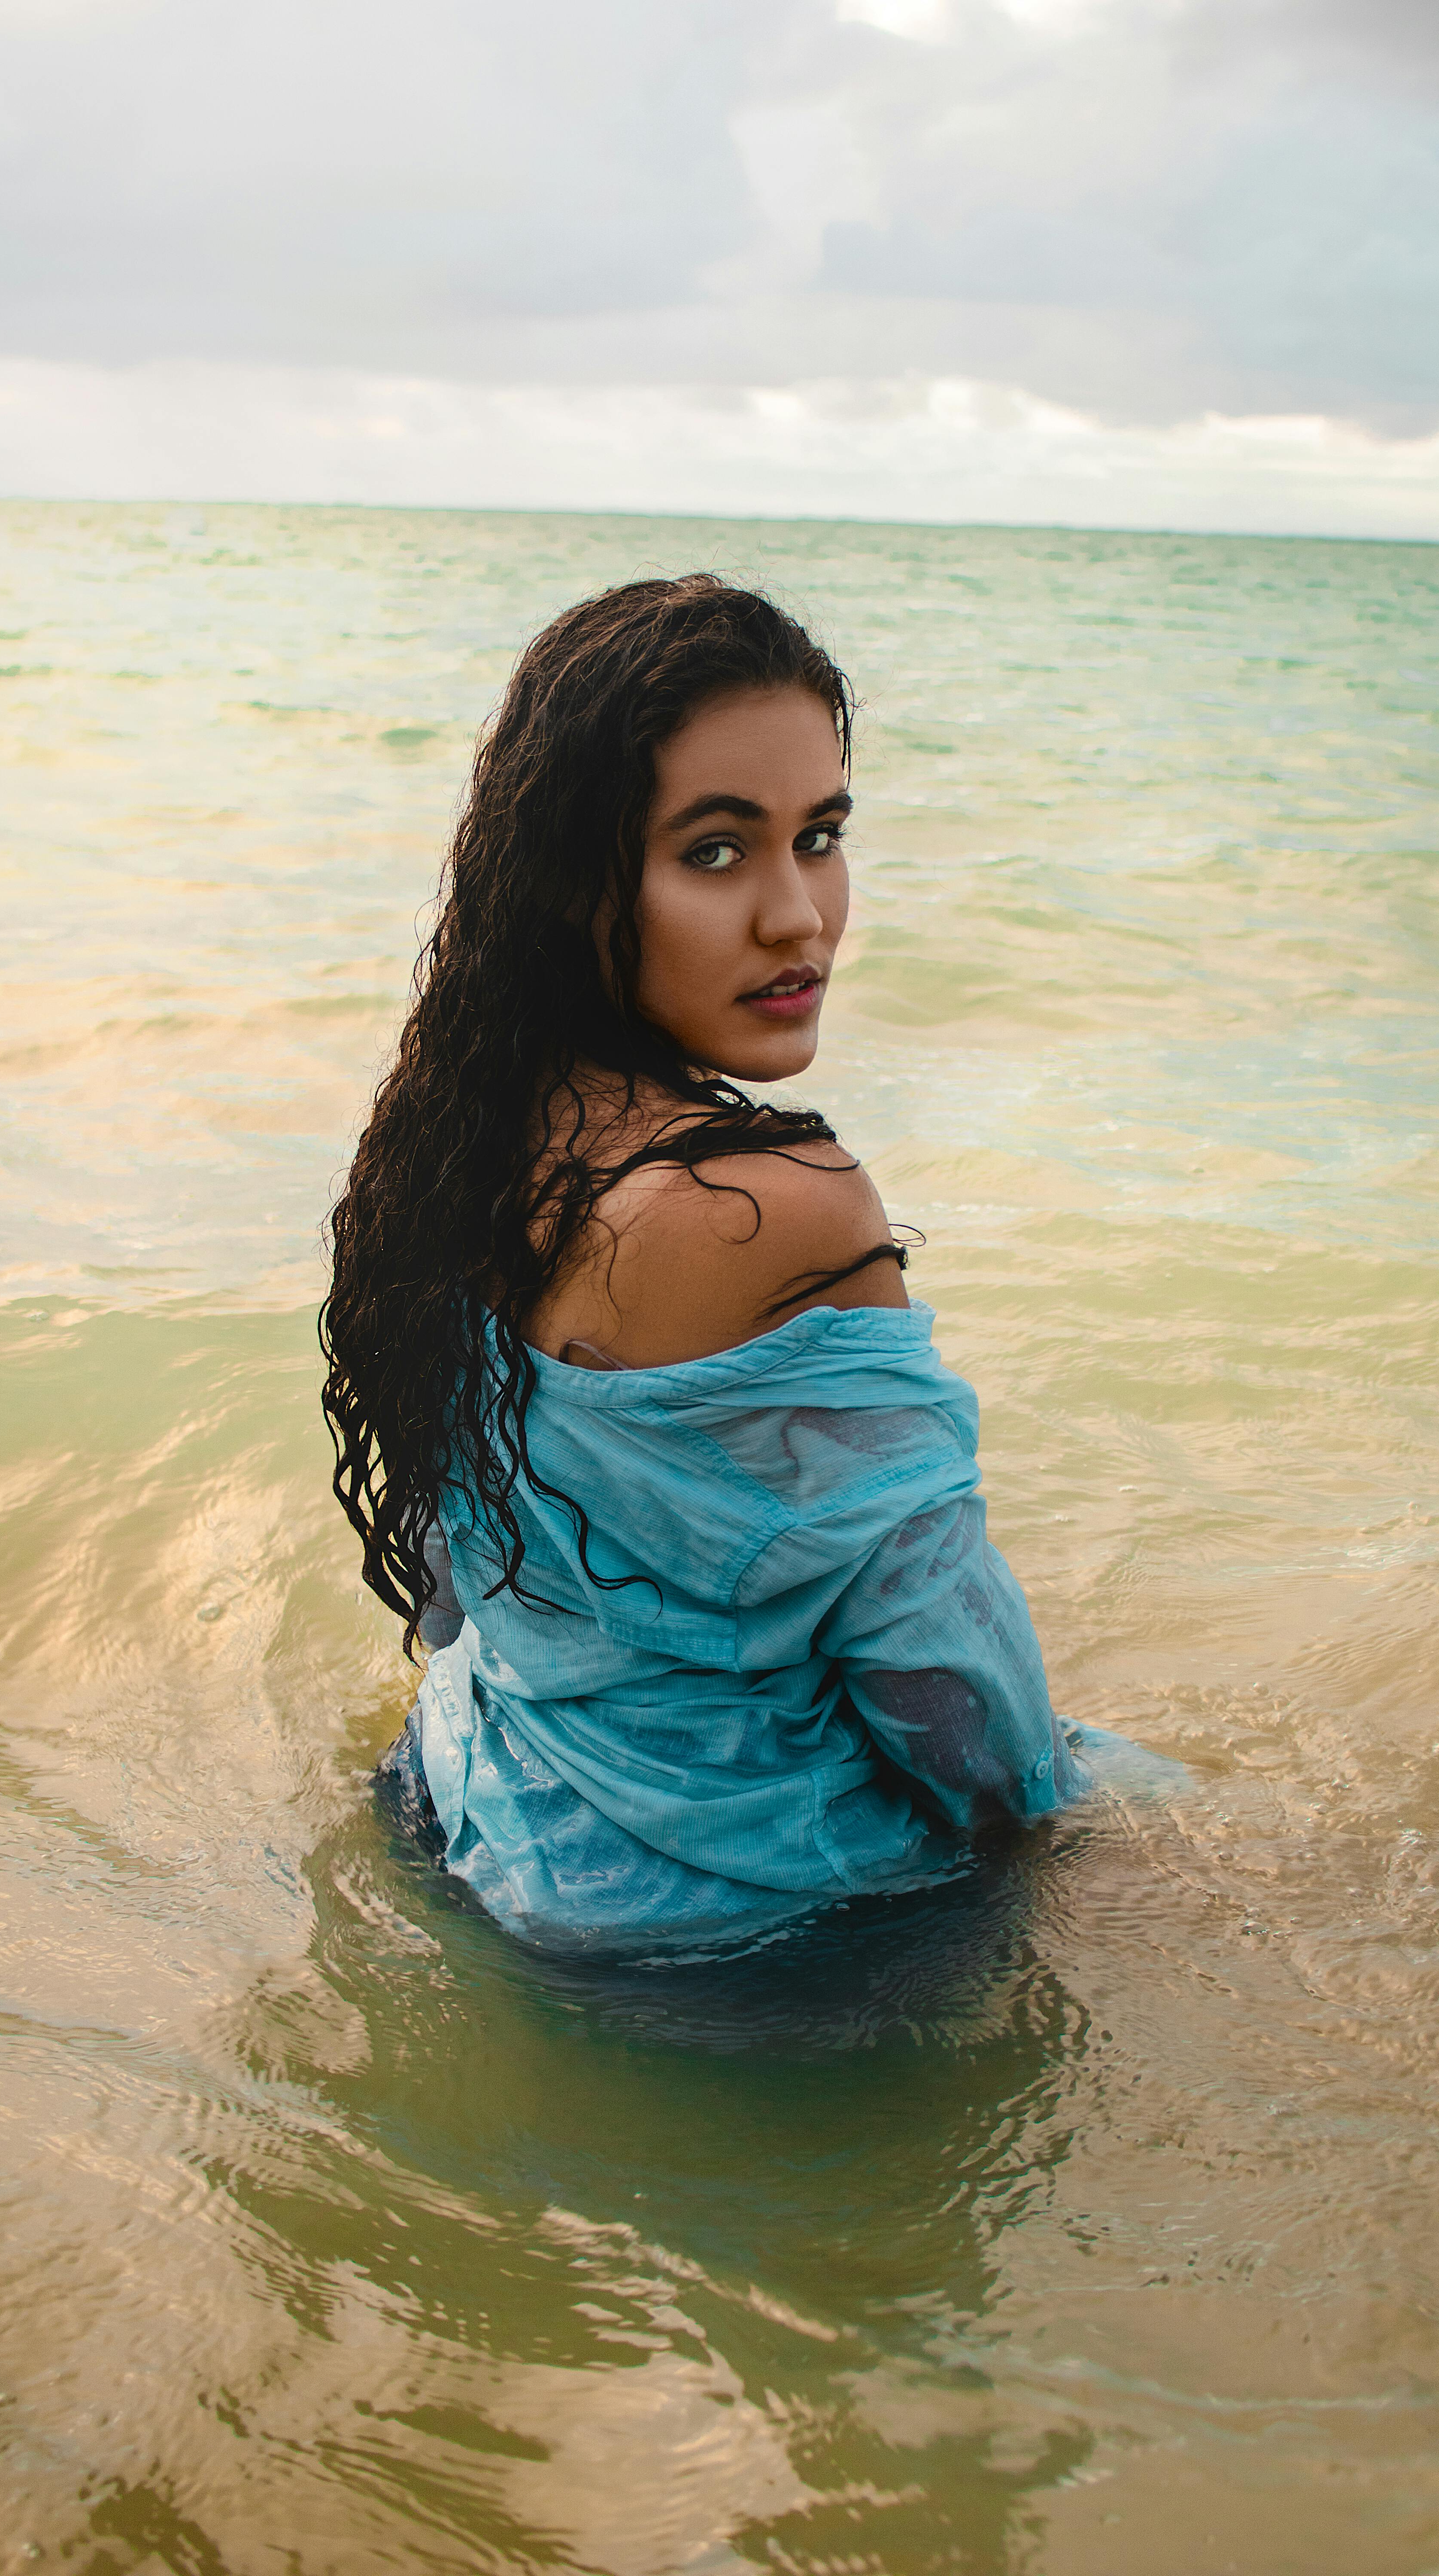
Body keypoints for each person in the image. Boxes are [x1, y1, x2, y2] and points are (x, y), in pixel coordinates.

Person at [321, 574, 1093, 1956]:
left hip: (473, 1812)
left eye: (822, 836)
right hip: (745, 1944)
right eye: (718, 853)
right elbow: (957, 1703)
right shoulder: (774, 1208)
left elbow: (452, 1592)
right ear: (578, 885)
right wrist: (1069, 1870)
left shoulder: (462, 1138)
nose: (800, 918)